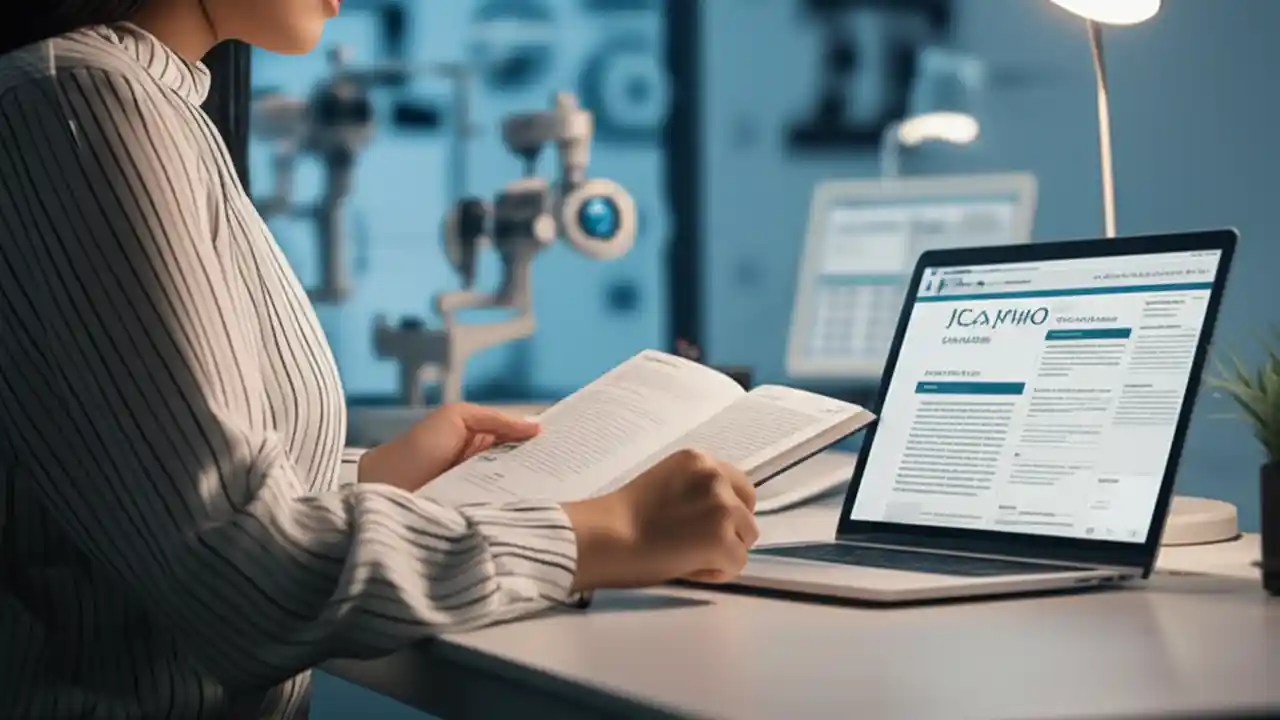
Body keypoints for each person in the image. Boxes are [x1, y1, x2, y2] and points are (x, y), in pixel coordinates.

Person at [0, 1, 759, 717]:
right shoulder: (83, 105)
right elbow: (237, 578)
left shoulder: (147, 107)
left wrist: (371, 480)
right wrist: (606, 532)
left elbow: (124, 495)